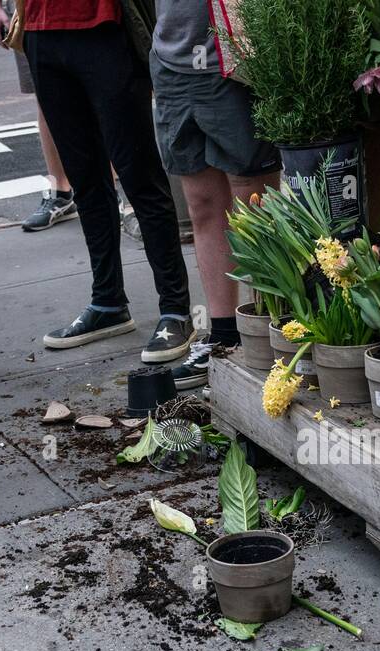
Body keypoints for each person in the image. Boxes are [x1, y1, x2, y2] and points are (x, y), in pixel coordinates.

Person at [22, 0, 194, 358]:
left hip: (106, 31)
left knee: (140, 177)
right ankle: (108, 302)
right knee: (85, 182)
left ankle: (175, 309)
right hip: (41, 31)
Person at [149, 0, 280, 389]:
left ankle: (273, 327)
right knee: (202, 205)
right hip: (172, 58)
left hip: (235, 52)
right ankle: (223, 335)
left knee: (254, 199)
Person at [0, 0, 79, 232]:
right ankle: (61, 192)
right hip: (28, 12)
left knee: (97, 93)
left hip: (89, 14)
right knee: (45, 98)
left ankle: (111, 193)